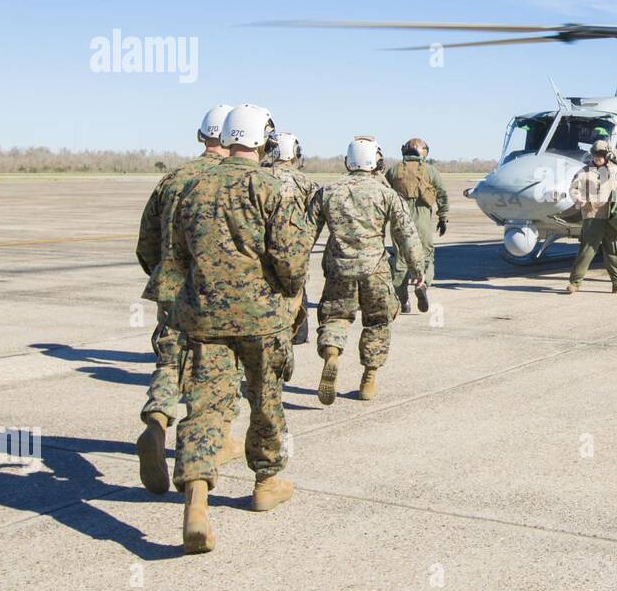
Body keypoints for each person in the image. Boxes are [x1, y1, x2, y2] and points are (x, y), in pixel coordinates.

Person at [166, 103, 316, 553]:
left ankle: (196, 493)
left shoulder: (191, 187)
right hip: (261, 318)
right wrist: (288, 293)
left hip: (204, 317)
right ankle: (266, 482)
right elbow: (291, 261)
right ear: (263, 140)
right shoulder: (273, 188)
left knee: (205, 406)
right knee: (265, 399)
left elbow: (173, 256)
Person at [133, 104, 243, 495]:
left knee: (169, 357)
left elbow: (146, 242)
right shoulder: (231, 181)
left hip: (171, 286)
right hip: (217, 293)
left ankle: (157, 421)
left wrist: (163, 277)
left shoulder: (173, 179)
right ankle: (214, 440)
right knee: (216, 372)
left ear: (201, 136)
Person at [310, 137, 425, 406]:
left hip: (339, 269)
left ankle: (332, 353)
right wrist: (417, 268)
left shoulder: (328, 191)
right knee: (377, 322)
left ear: (348, 161)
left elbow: (306, 233)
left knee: (335, 317)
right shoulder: (386, 194)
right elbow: (406, 234)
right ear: (377, 161)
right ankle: (368, 379)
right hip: (375, 270)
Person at [266, 131, 318, 346]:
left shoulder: (261, 175)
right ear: (293, 152)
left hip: (264, 243)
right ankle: (298, 332)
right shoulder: (304, 181)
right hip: (294, 244)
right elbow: (315, 213)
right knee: (297, 288)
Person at [386, 138, 449, 314]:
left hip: (399, 222)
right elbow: (442, 194)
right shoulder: (430, 171)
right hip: (422, 223)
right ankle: (422, 284)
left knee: (400, 261)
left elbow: (382, 195)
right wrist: (443, 217)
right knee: (427, 258)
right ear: (424, 152)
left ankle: (403, 300)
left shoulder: (393, 171)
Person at [566, 139, 617, 295]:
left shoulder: (614, 170)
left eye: (602, 154)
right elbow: (573, 189)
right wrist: (578, 198)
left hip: (610, 215)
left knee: (612, 251)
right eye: (596, 154)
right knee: (587, 250)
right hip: (592, 215)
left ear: (607, 155)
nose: (598, 157)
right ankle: (574, 283)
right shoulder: (584, 171)